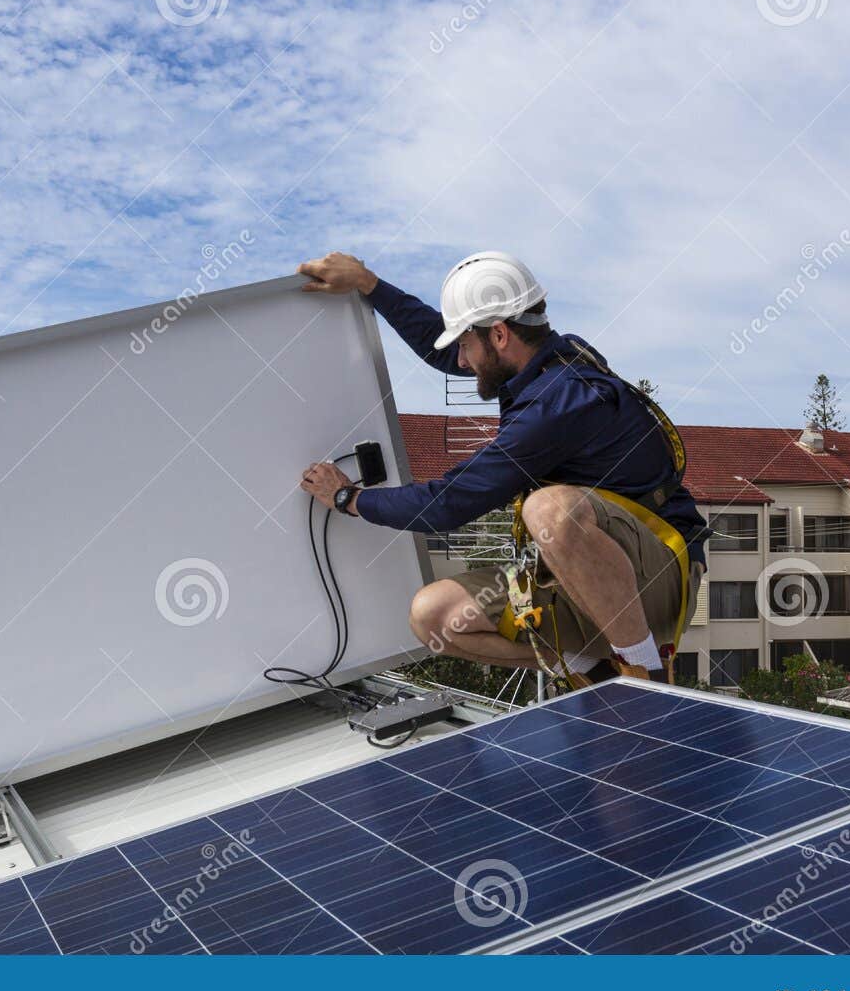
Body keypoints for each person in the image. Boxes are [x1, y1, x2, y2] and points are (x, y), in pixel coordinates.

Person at [297, 250, 707, 685]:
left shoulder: (560, 403)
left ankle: (645, 673)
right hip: (585, 581)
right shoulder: (543, 360)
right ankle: (593, 667)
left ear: (499, 335)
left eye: (465, 346)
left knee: (549, 510)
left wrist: (348, 498)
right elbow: (445, 349)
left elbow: (448, 504)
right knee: (433, 617)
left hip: (659, 574)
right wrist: (370, 285)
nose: (458, 361)